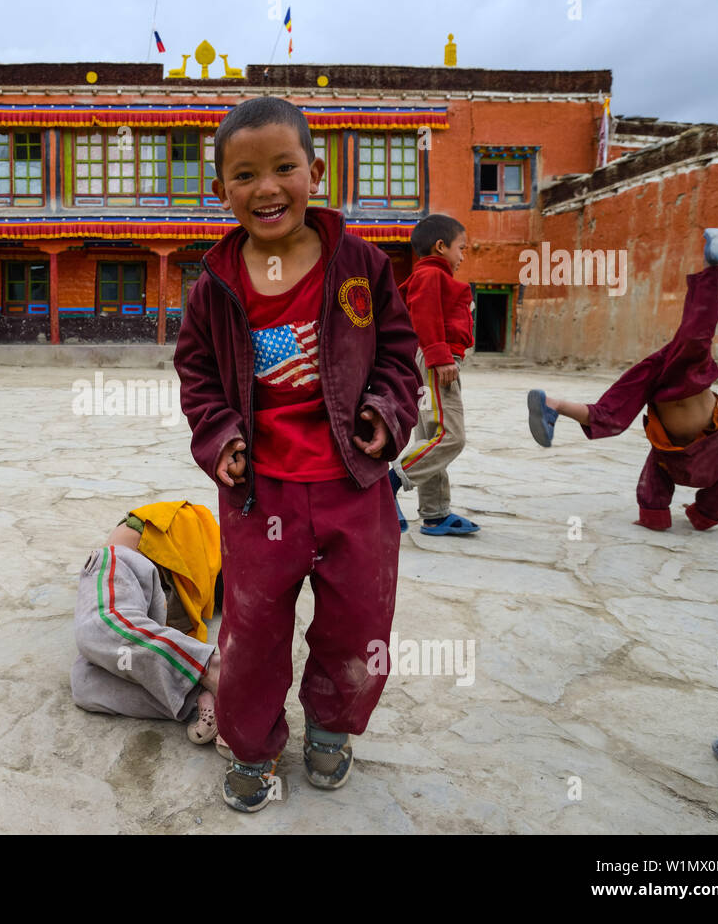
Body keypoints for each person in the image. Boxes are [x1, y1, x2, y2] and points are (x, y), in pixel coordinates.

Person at [174, 96, 421, 812]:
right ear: (220, 191)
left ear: (315, 170)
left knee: (357, 620)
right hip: (262, 493)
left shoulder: (362, 266)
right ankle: (253, 746)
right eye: (245, 175)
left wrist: (386, 411)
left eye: (284, 167)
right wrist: (220, 438)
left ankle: (333, 730)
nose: (267, 187)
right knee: (253, 628)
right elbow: (197, 376)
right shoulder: (213, 287)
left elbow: (400, 354)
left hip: (354, 483)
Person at [526, 229, 718, 530]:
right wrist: (704, 518)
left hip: (662, 392)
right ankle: (713, 265)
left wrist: (655, 518)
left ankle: (553, 404)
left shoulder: (664, 464)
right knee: (696, 336)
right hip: (687, 385)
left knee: (612, 418)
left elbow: (651, 490)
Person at [71, 501, 229, 756]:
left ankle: (199, 692)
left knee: (85, 684)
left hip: (153, 606)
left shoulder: (199, 597)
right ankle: (213, 669)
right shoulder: (194, 521)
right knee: (98, 626)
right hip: (125, 561)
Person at [389, 213, 479, 536]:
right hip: (436, 361)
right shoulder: (430, 276)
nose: (462, 256)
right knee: (451, 436)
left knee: (430, 437)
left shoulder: (430, 276)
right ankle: (391, 482)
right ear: (441, 246)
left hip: (431, 359)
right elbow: (426, 318)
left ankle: (435, 513)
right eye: (461, 248)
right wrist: (440, 357)